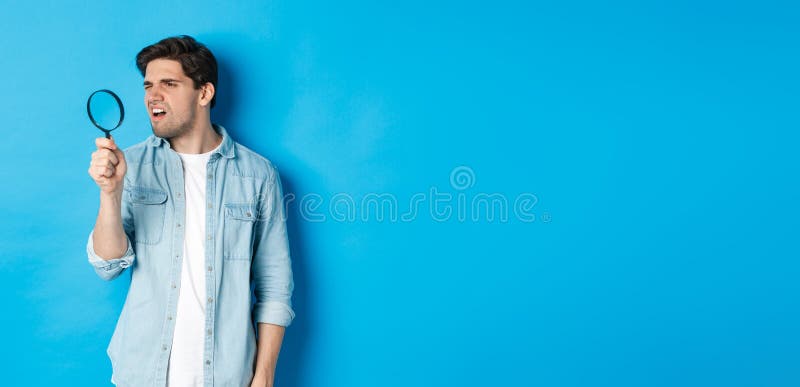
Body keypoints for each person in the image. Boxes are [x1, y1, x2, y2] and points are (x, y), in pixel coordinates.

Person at [86, 35, 294, 387]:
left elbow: (275, 286)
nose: (153, 95)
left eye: (169, 84)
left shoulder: (258, 174)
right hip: (142, 374)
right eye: (148, 85)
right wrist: (110, 192)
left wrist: (264, 377)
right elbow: (107, 265)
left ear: (204, 93)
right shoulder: (130, 165)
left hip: (227, 376)